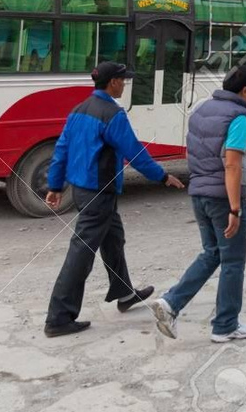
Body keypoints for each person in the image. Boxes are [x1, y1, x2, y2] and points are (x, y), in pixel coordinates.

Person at [44, 61, 185, 338]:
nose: (125, 85)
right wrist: (161, 176)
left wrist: (55, 185)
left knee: (114, 238)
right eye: (123, 80)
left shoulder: (78, 110)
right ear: (113, 84)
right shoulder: (112, 114)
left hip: (83, 189)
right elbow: (134, 152)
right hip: (100, 193)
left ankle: (124, 293)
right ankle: (58, 318)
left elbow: (61, 150)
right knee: (80, 255)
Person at [152, 65, 246, 343]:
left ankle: (170, 303)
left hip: (199, 194)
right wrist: (235, 208)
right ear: (244, 90)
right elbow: (233, 164)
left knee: (212, 253)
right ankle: (225, 326)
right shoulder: (239, 117)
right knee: (233, 262)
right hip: (224, 199)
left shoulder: (201, 110)